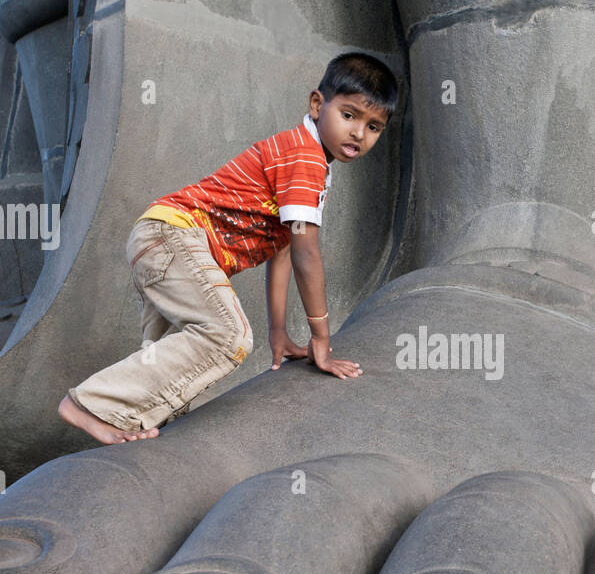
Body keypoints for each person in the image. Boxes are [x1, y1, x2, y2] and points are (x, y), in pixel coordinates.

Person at [59, 52, 398, 444]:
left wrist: (279, 333)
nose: (359, 133)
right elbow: (307, 253)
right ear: (317, 104)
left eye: (374, 126)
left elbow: (283, 249)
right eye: (350, 115)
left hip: (158, 238)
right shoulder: (304, 157)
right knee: (227, 336)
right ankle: (88, 405)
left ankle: (122, 422)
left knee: (170, 365)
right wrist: (321, 338)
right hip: (176, 238)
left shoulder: (307, 158)